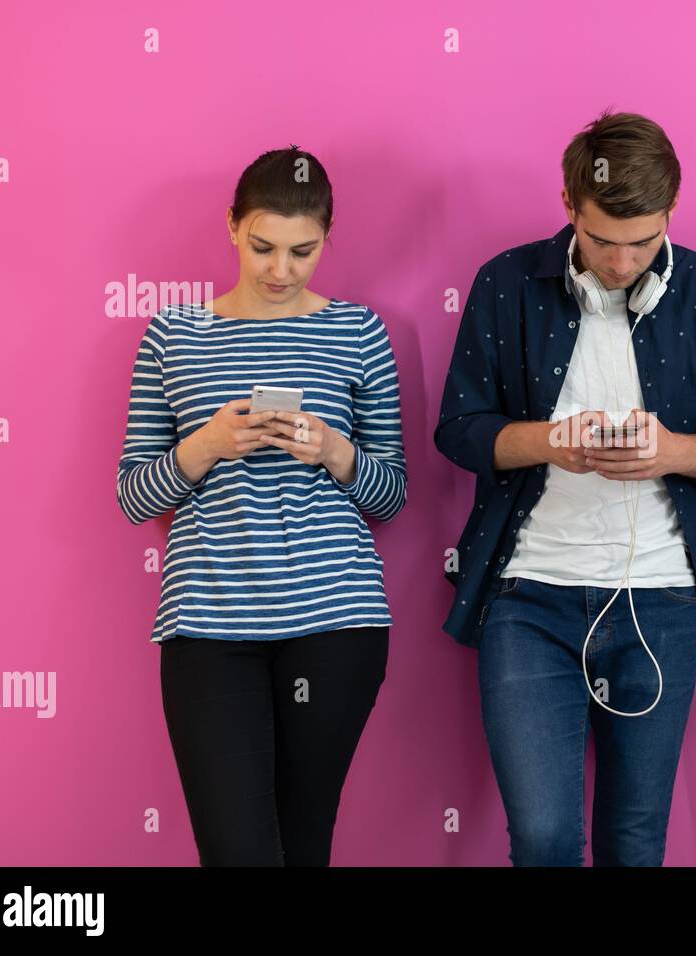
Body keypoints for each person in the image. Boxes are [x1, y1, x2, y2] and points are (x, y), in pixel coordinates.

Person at [434, 110, 696, 866]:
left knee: (634, 840)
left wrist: (674, 451)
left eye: (643, 242)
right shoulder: (507, 282)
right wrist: (553, 443)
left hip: (660, 600)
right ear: (568, 206)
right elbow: (458, 429)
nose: (621, 264)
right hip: (528, 600)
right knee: (545, 838)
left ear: (671, 214)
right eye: (602, 241)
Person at [115, 146, 406, 866]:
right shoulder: (173, 335)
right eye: (263, 246)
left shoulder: (358, 332)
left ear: (327, 237)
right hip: (208, 626)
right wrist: (207, 442)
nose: (281, 270)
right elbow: (133, 495)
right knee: (236, 851)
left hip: (335, 620)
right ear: (232, 227)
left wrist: (335, 452)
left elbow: (392, 494)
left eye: (303, 251)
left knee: (302, 843)